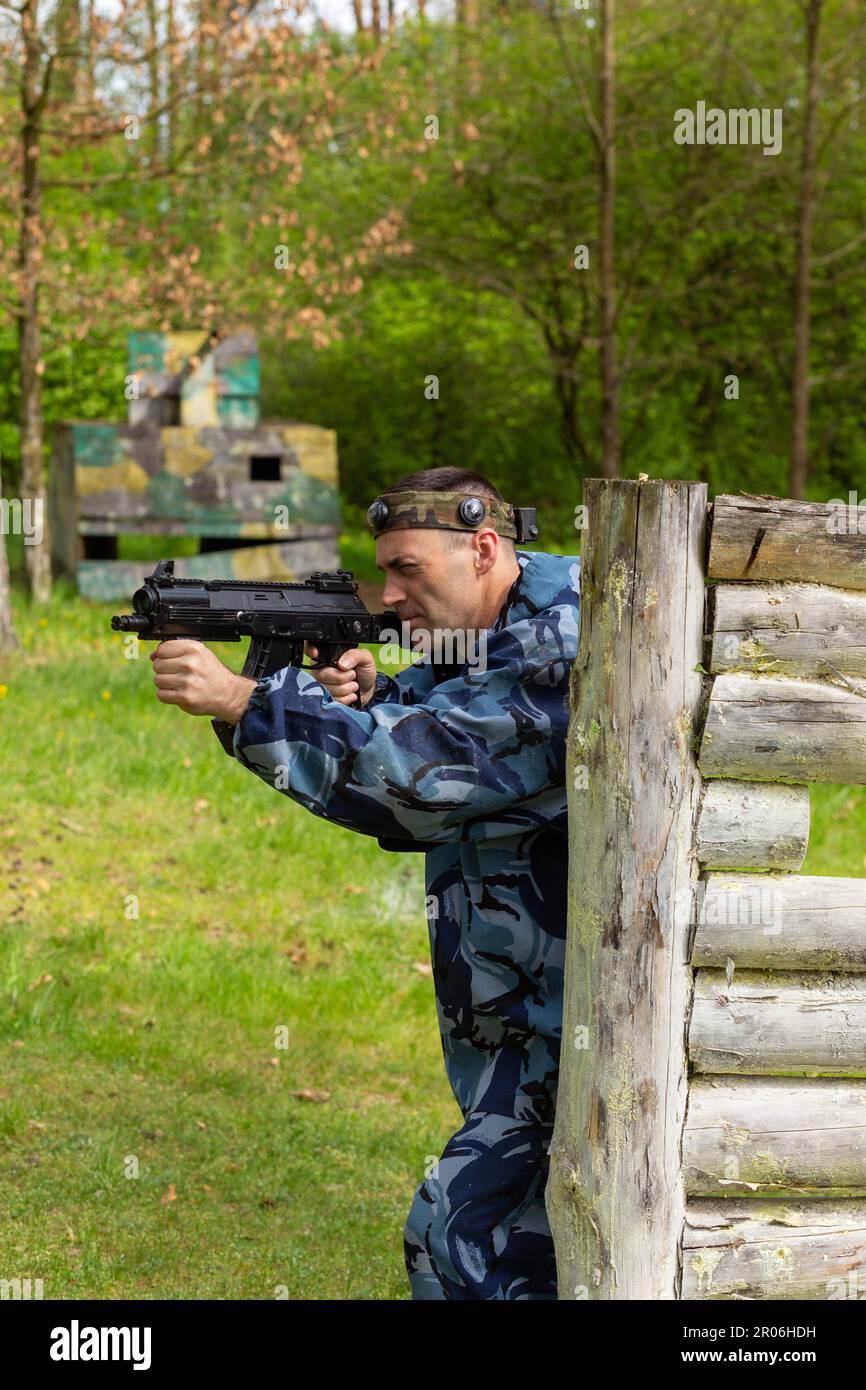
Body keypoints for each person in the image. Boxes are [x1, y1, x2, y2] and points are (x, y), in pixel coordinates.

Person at [148, 466, 581, 1300]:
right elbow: (439, 707)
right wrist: (376, 691)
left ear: (484, 550)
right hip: (523, 1018)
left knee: (458, 1238)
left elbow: (422, 781)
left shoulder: (558, 640)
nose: (388, 596)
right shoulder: (498, 619)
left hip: (581, 1026)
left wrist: (243, 700)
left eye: (408, 571)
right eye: (384, 572)